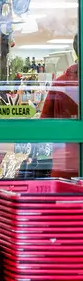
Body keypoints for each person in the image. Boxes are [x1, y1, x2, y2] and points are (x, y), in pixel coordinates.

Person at [40, 34, 79, 179]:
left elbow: (44, 125)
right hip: (67, 167)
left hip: (65, 168)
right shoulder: (61, 84)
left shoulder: (60, 83)